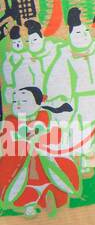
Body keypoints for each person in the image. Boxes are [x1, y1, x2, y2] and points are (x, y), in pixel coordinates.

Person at [51, 8, 95, 176]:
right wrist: (61, 96)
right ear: (71, 35)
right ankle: (85, 159)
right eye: (79, 33)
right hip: (81, 99)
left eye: (86, 31)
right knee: (84, 128)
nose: (84, 35)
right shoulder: (65, 54)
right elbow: (56, 76)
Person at [0, 86, 79, 216]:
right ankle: (28, 203)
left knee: (53, 184)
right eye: (15, 101)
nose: (18, 104)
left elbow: (56, 135)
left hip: (44, 162)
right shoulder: (12, 122)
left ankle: (48, 197)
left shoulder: (45, 118)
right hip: (22, 163)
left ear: (38, 103)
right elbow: (6, 141)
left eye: (24, 101)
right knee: (22, 188)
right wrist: (23, 142)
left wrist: (40, 138)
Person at [22, 21, 68, 119]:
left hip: (59, 95)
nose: (32, 44)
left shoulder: (55, 50)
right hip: (40, 101)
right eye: (29, 41)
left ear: (41, 37)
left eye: (34, 39)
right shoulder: (29, 60)